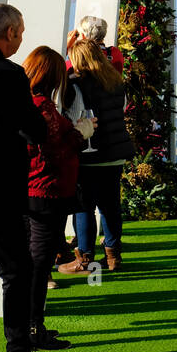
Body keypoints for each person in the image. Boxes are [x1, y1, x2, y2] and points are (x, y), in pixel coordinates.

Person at [0, 4, 70, 352]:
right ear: (9, 33)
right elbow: (33, 131)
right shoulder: (8, 73)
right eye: (20, 33)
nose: (21, 39)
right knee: (17, 270)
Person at [22, 47, 94, 350]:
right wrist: (81, 134)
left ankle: (33, 326)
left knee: (37, 261)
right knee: (38, 263)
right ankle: (33, 328)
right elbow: (52, 151)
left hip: (40, 192)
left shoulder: (32, 105)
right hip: (46, 193)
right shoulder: (42, 107)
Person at [59, 40, 135, 272]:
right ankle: (113, 256)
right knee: (110, 206)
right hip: (116, 153)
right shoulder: (115, 80)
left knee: (84, 206)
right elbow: (121, 110)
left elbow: (74, 117)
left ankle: (85, 257)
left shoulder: (75, 85)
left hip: (90, 154)